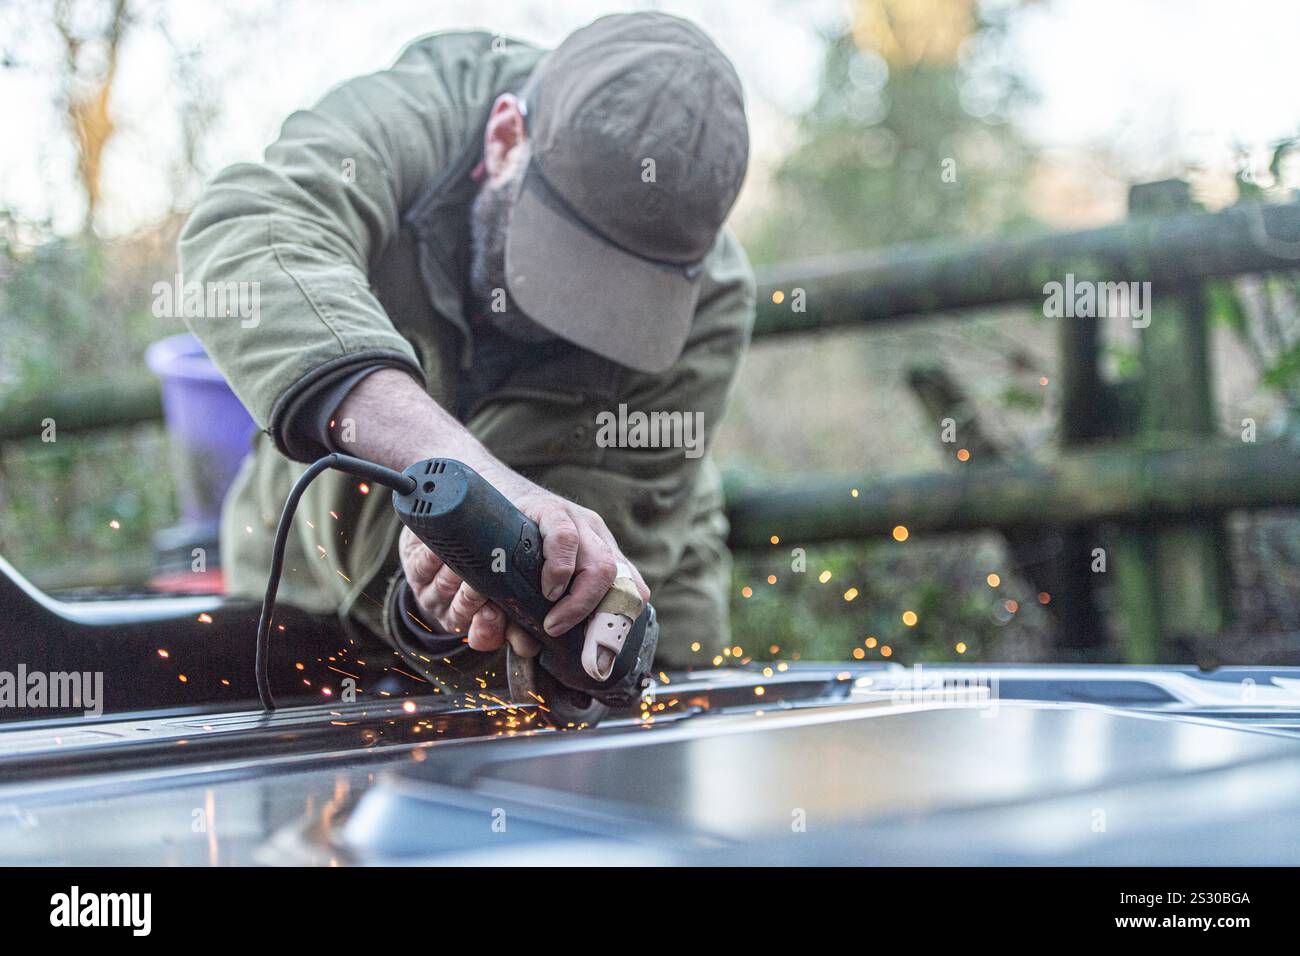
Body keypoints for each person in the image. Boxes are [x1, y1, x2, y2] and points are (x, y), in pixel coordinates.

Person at [179, 12, 754, 698]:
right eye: (564, 266)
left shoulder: (707, 302)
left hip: (608, 665)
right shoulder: (418, 113)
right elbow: (250, 237)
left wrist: (464, 600)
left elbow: (557, 605)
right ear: (506, 137)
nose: (572, 319)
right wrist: (468, 476)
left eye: (621, 300)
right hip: (298, 585)